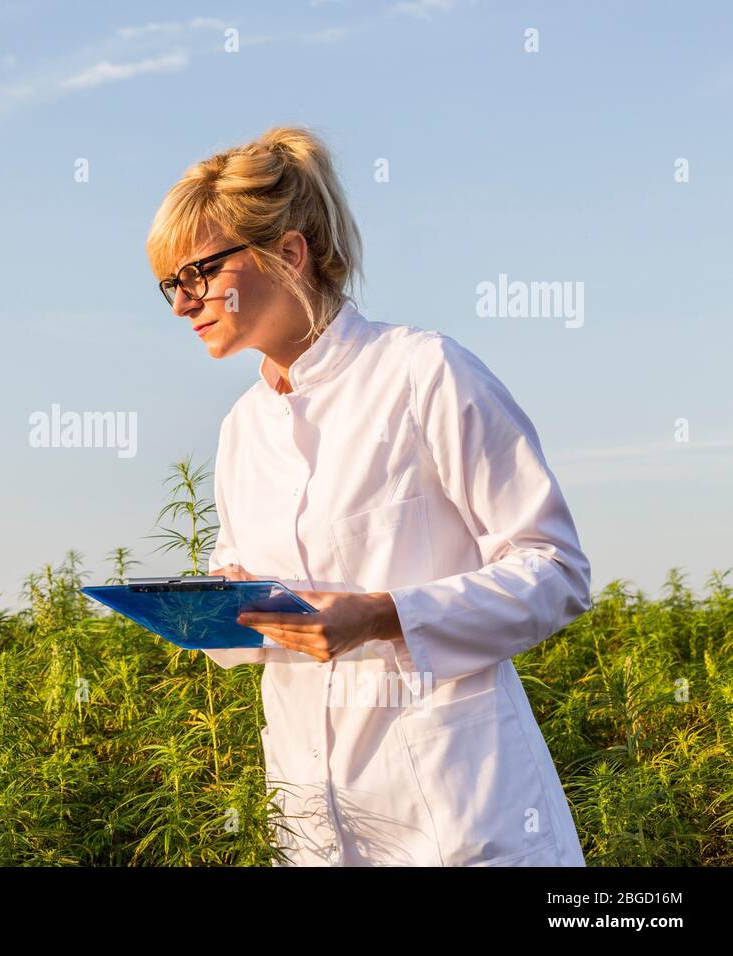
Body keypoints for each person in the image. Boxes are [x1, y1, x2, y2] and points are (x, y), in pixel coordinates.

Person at [145, 126, 592, 866]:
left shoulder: (425, 373)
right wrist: (221, 605)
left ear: (289, 253)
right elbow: (255, 617)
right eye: (170, 284)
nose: (181, 303)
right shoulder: (240, 431)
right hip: (317, 821)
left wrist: (386, 615)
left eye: (197, 272)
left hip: (462, 816)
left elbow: (555, 571)